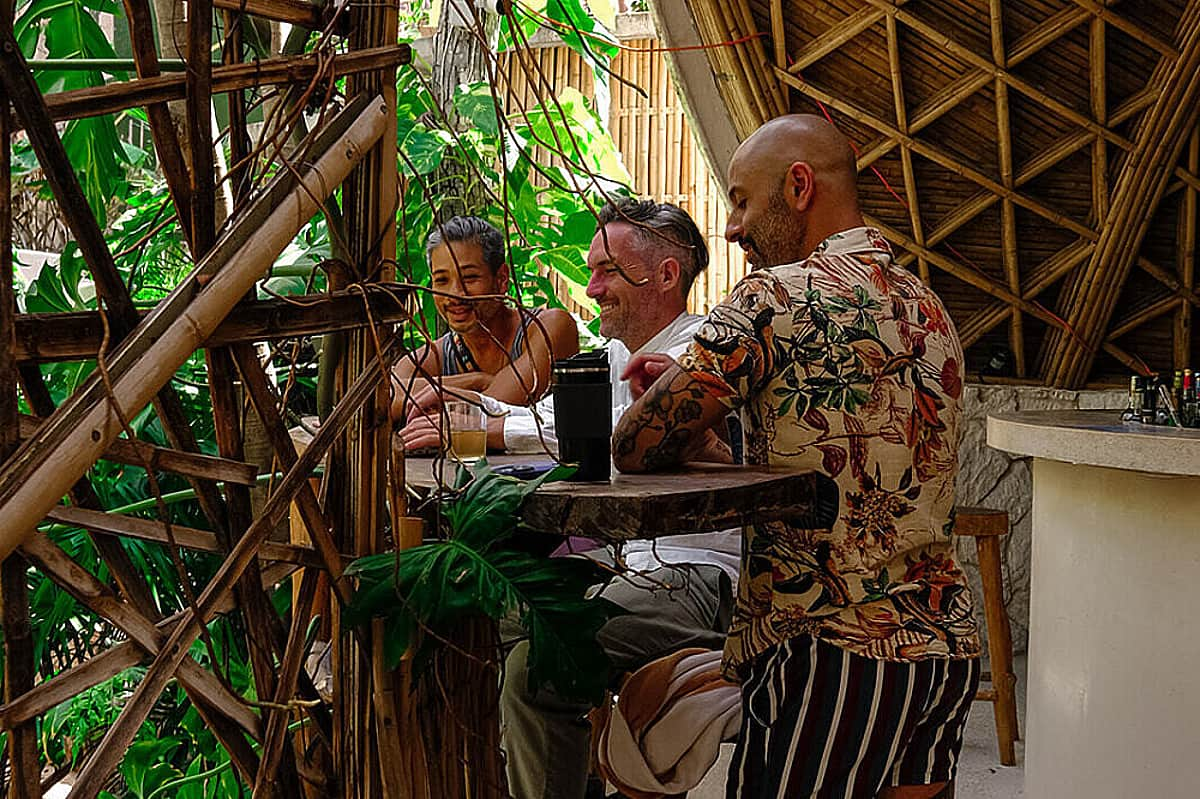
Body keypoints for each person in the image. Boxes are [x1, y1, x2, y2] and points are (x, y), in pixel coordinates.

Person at [613, 115, 982, 799]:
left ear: (800, 186)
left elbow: (634, 445)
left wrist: (667, 393)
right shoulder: (929, 308)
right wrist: (722, 439)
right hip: (943, 649)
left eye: (742, 200)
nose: (731, 227)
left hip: (830, 656)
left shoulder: (770, 298)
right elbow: (850, 453)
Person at [497, 198, 741, 799]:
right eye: (592, 268)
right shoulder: (610, 357)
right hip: (622, 569)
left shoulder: (704, 352)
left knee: (538, 664)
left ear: (665, 276)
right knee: (477, 612)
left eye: (606, 269)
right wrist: (457, 412)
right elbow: (548, 416)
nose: (591, 285)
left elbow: (613, 432)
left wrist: (498, 428)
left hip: (698, 577)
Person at [391, 215, 578, 434]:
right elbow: (387, 398)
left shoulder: (549, 328)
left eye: (470, 278)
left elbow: (493, 410)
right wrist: (475, 381)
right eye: (442, 280)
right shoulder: (436, 355)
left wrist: (444, 401)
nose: (454, 294)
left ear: (501, 279)